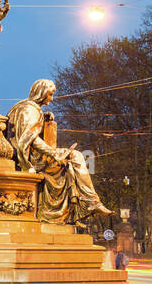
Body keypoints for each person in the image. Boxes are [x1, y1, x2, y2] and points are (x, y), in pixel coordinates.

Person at [6, 79, 113, 223]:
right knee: (76, 156)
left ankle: (86, 206)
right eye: (49, 95)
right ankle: (91, 202)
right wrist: (53, 153)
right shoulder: (31, 110)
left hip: (23, 155)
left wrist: (44, 117)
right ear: (41, 93)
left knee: (70, 164)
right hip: (31, 159)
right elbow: (29, 139)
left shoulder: (21, 107)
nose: (50, 99)